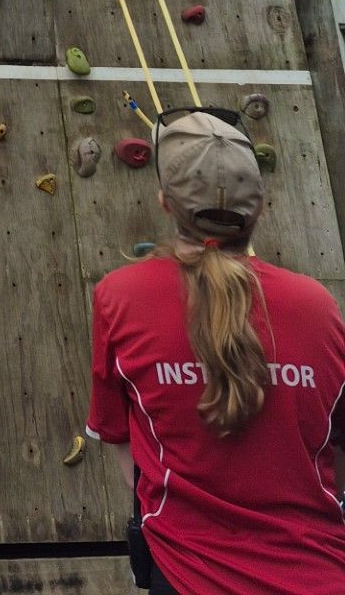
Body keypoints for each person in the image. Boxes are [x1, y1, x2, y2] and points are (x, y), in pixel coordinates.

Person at [87, 105, 345, 594]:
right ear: (259, 209)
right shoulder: (318, 305)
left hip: (185, 575)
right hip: (317, 573)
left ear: (165, 202)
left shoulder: (120, 297)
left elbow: (120, 439)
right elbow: (337, 445)